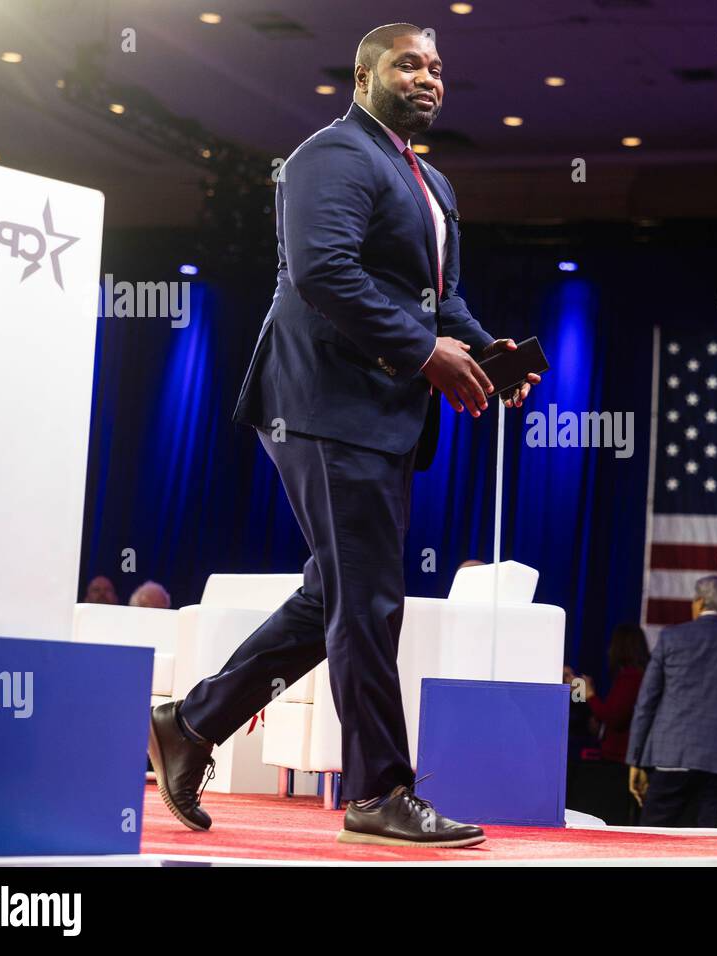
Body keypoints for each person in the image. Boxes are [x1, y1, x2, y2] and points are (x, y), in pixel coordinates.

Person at [145, 23, 541, 849]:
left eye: (437, 66)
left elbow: (437, 298)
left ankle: (191, 722)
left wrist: (484, 347)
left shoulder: (429, 179)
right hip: (321, 401)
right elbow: (322, 271)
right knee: (368, 597)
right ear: (364, 76)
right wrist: (425, 353)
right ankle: (378, 791)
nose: (429, 77)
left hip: (377, 409)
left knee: (338, 594)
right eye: (409, 64)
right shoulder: (329, 154)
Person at [625, 576, 717, 827]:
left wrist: (635, 759)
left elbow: (646, 703)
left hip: (668, 757)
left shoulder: (670, 638)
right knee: (713, 848)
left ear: (699, 602)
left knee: (650, 845)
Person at [580, 624, 649, 764]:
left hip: (619, 759)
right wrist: (583, 691)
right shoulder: (634, 676)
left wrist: (589, 695)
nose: (609, 651)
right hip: (621, 756)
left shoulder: (631, 677)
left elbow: (614, 718)